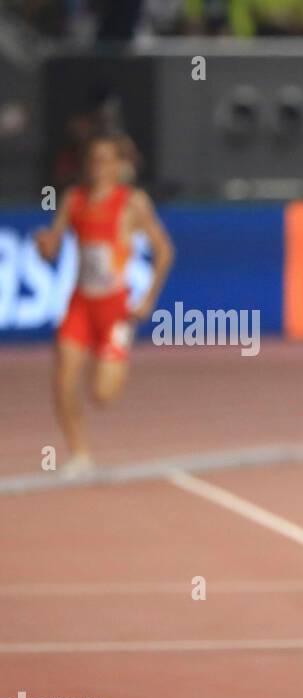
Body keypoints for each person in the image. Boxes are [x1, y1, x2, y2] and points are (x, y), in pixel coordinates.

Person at [35, 132, 174, 475]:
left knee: (102, 396)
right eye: (92, 159)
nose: (97, 166)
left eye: (104, 160)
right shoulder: (74, 200)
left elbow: (164, 250)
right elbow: (53, 245)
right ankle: (79, 453)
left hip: (115, 311)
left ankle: (114, 355)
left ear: (117, 165)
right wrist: (45, 246)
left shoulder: (131, 203)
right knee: (63, 378)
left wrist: (148, 300)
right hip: (80, 304)